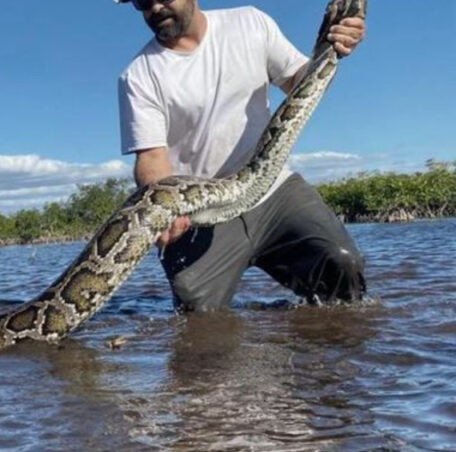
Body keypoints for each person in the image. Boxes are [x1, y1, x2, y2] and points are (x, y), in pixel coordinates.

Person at [116, 0, 367, 311]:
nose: (155, 7)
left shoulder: (250, 22)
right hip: (200, 213)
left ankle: (327, 350)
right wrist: (166, 210)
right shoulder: (138, 76)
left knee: (342, 266)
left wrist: (332, 46)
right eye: (142, 1)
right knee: (197, 317)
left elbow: (299, 85)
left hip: (274, 191)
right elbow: (151, 159)